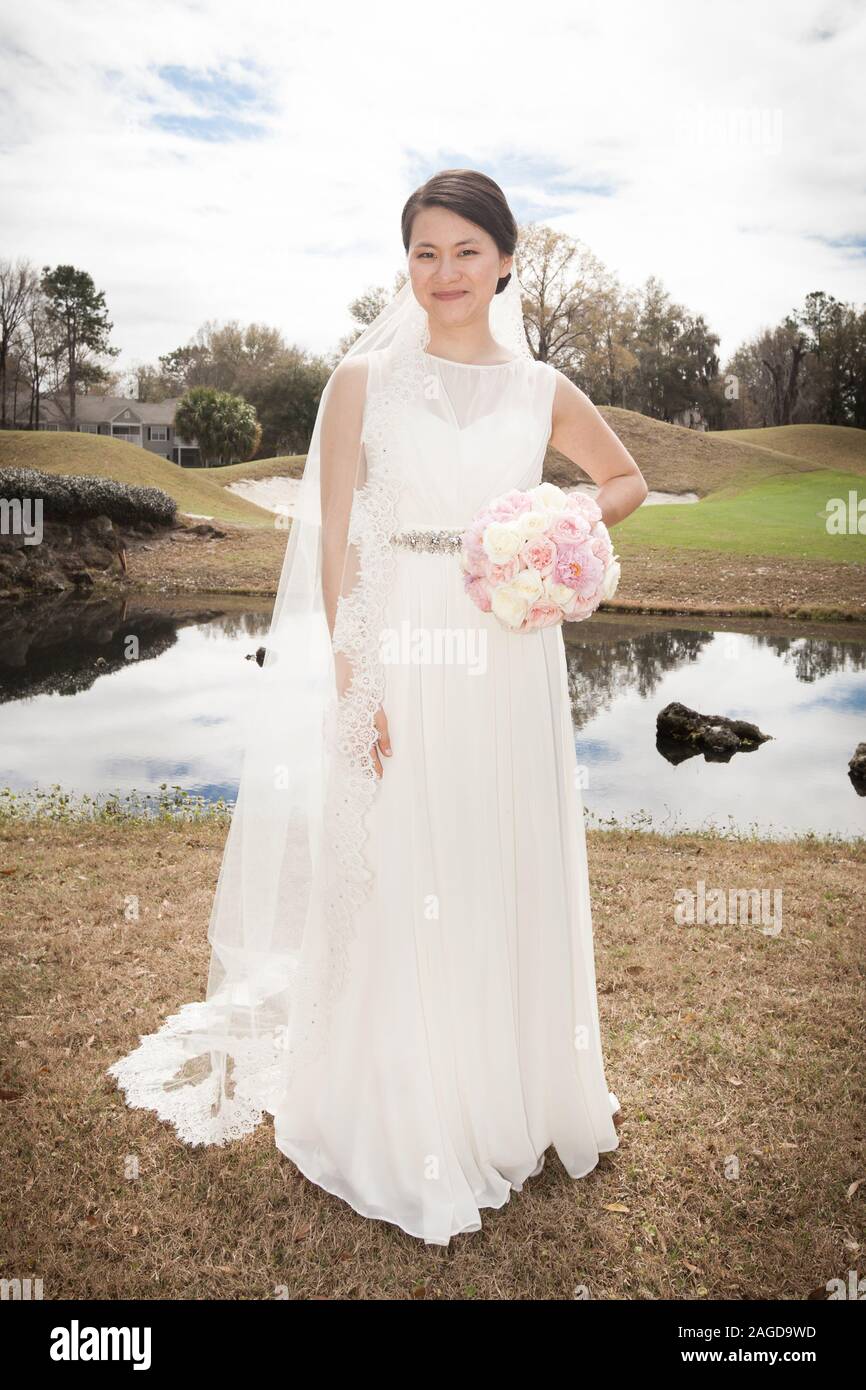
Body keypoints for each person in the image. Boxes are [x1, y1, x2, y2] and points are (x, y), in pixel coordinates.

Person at [107, 168, 649, 1247]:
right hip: (398, 641)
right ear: (404, 265)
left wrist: (549, 526)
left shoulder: (540, 388)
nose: (443, 273)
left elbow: (623, 480)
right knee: (406, 859)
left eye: (464, 251)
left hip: (507, 648)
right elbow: (339, 542)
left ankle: (507, 1093)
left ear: (505, 259)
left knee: (495, 857)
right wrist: (356, 683)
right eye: (423, 252)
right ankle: (399, 1102)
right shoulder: (363, 380)